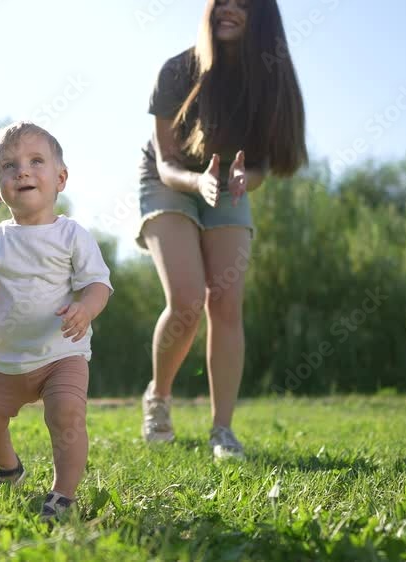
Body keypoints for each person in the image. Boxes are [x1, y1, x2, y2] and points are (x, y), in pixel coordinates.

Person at [136, 0, 307, 459]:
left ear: (261, 17)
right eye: (222, 1)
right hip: (168, 182)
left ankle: (223, 430)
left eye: (243, 3)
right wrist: (199, 183)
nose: (229, 9)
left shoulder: (268, 79)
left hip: (229, 184)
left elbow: (264, 165)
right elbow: (167, 163)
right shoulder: (177, 70)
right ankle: (159, 399)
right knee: (187, 300)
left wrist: (242, 179)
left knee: (226, 301)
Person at [0, 122, 113, 520]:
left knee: (66, 415)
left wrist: (86, 309)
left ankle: (63, 494)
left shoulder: (72, 235)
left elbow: (98, 285)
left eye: (36, 161)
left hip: (62, 353)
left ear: (61, 178)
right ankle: (9, 468)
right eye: (9, 165)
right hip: (7, 359)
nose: (22, 171)